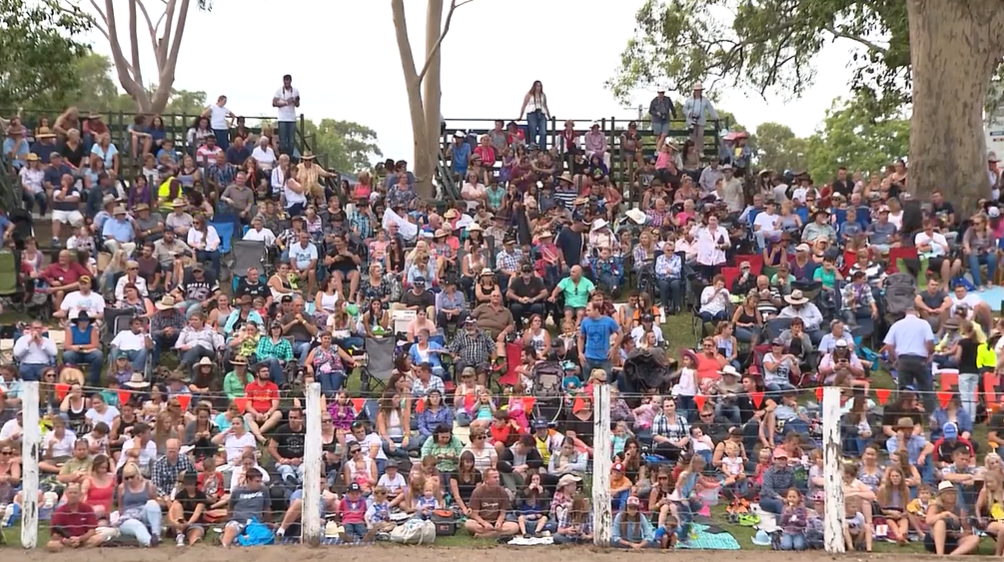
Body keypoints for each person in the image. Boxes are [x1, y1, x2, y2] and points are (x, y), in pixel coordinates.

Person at [882, 305, 937, 412]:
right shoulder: (924, 324)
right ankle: (931, 416)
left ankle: (902, 414)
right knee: (926, 390)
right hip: (920, 359)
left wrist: (895, 359)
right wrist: (930, 354)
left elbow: (888, 345)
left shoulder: (897, 325)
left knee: (903, 391)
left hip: (903, 359)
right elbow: (929, 342)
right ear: (917, 312)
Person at [463, 468, 520, 538]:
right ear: (486, 480)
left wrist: (499, 522)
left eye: (498, 477)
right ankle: (496, 534)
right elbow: (474, 514)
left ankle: (485, 535)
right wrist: (484, 523)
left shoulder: (502, 492)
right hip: (482, 522)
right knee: (468, 524)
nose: (497, 479)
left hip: (496, 523)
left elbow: (503, 512)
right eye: (495, 477)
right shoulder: (477, 492)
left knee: (515, 527)